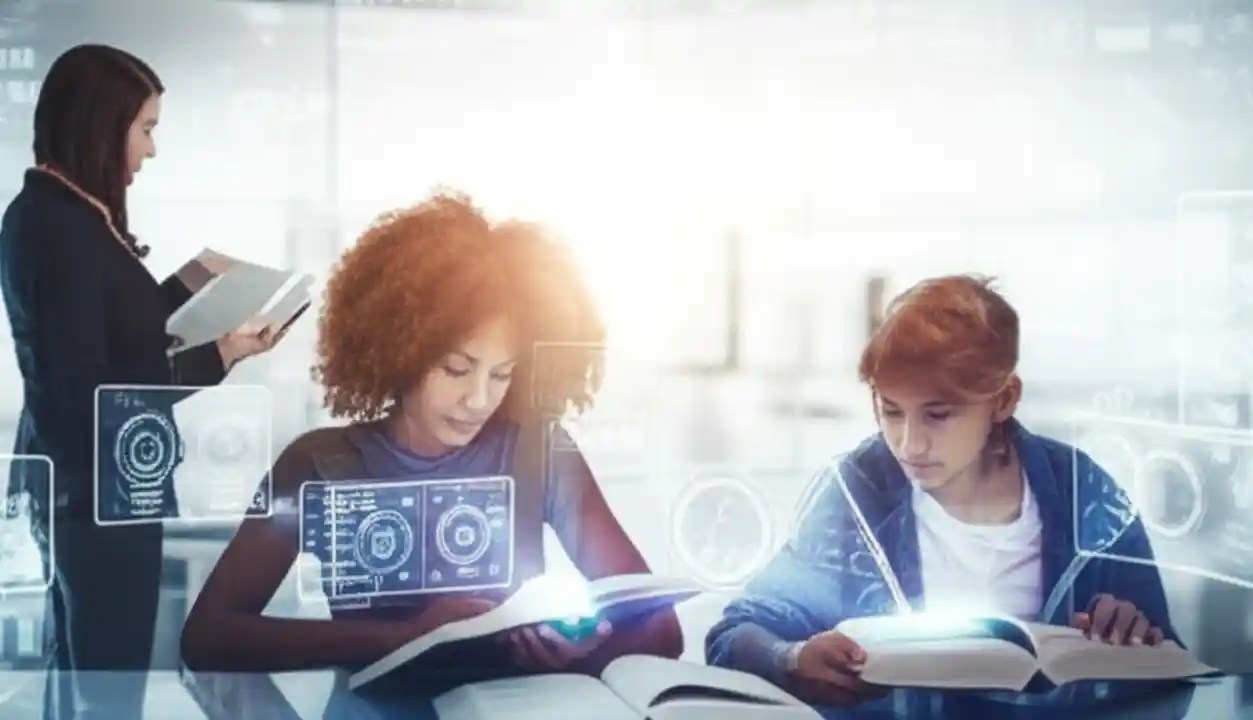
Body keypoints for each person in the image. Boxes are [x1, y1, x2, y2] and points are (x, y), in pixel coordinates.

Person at [180, 192, 683, 700]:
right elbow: (208, 637)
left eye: (502, 374)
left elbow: (662, 631)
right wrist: (400, 637)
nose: (478, 398)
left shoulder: (539, 450)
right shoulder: (320, 466)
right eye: (456, 369)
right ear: (400, 351)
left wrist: (578, 652)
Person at [705, 275, 1176, 709]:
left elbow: (1171, 673)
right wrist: (791, 659)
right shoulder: (856, 496)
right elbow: (733, 634)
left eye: (938, 415)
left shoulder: (1085, 494)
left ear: (1004, 400)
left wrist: (1134, 639)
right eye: (891, 412)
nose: (910, 444)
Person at [0, 45, 284, 719]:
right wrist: (221, 356)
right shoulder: (62, 228)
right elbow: (97, 389)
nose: (151, 151)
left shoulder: (63, 216)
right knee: (104, 687)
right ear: (102, 125)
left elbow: (114, 335)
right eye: (146, 129)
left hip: (91, 487)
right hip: (97, 495)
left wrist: (196, 278)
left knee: (85, 678)